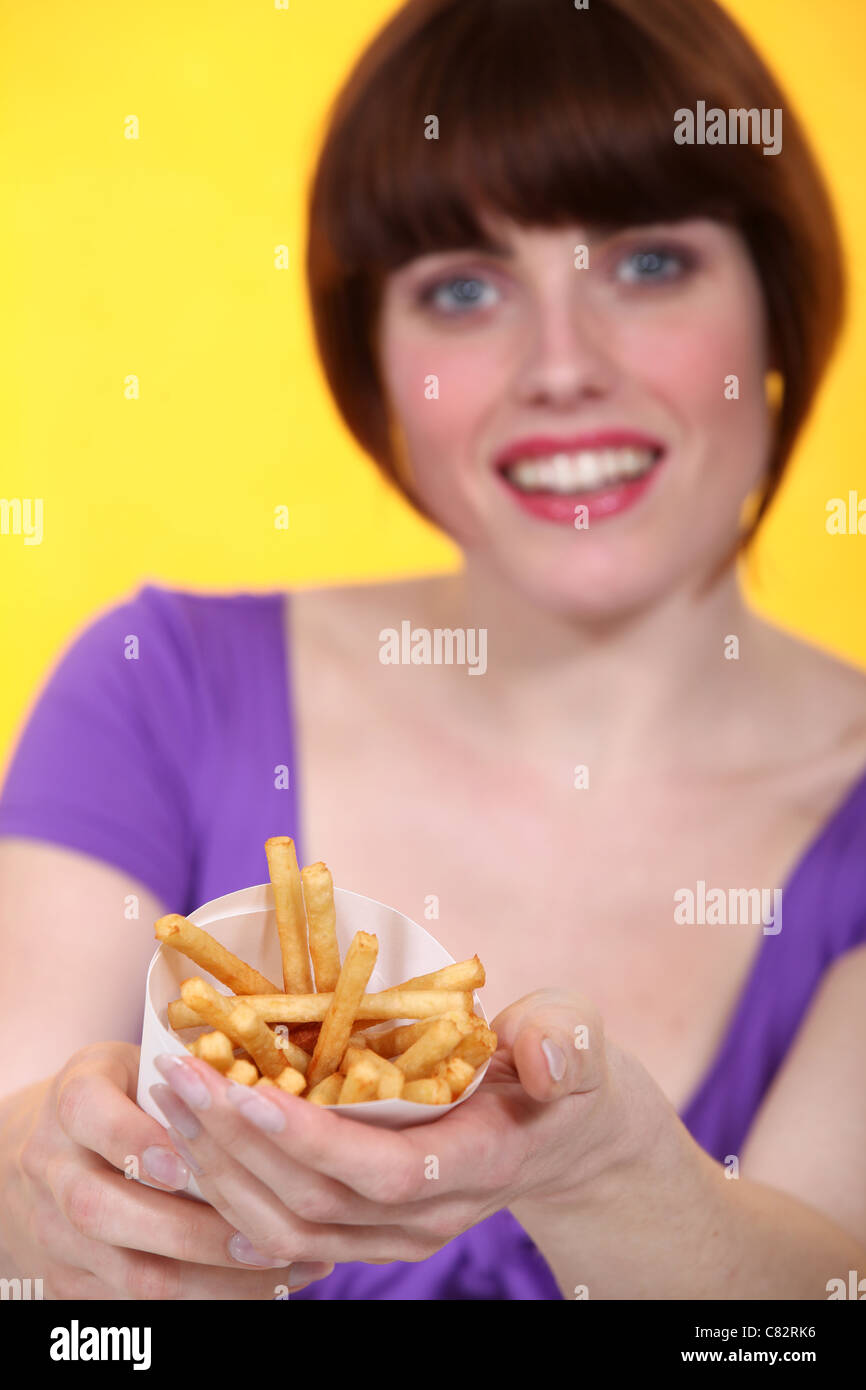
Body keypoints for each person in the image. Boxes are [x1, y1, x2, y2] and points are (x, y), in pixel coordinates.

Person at [1, 0, 864, 1301]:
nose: (560, 366)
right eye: (461, 288)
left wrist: (601, 1174)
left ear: (777, 300)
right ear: (374, 365)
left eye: (644, 263)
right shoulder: (155, 686)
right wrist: (43, 1223)